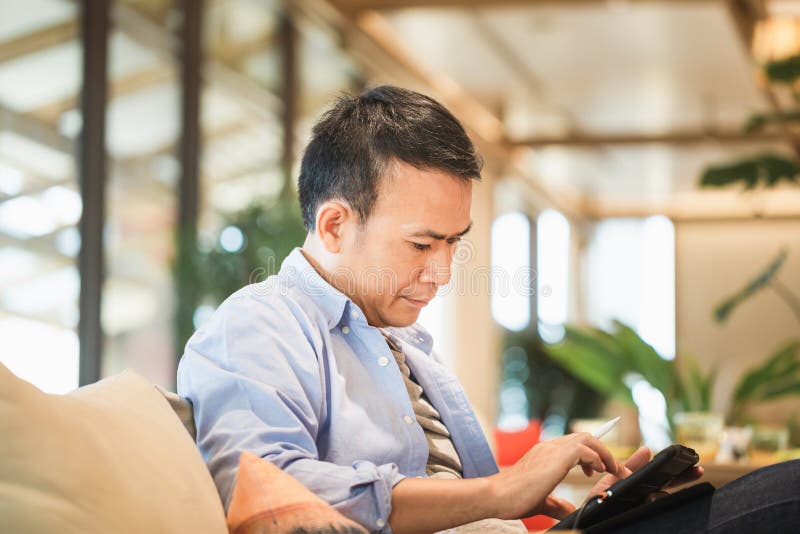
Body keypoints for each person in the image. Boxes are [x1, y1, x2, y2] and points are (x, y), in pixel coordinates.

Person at [177, 85, 800, 533]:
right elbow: (268, 490)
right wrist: (500, 492)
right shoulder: (258, 325)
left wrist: (559, 498)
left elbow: (474, 499)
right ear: (335, 224)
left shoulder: (404, 343)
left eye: (453, 243)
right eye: (422, 244)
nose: (443, 272)